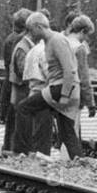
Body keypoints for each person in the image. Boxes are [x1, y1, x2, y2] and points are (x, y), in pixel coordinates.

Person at [13, 13, 84, 161]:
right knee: (67, 132)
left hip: (61, 88)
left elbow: (69, 69)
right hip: (68, 88)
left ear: (39, 27)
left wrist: (64, 95)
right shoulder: (50, 41)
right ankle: (79, 160)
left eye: (31, 29)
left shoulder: (56, 40)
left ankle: (21, 151)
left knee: (23, 108)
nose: (30, 34)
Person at [0, 8, 31, 152]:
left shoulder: (10, 38)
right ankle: (15, 148)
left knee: (11, 118)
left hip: (9, 81)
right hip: (17, 83)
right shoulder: (20, 40)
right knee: (17, 117)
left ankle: (8, 147)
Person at [5, 13, 36, 154]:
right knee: (19, 122)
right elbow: (24, 72)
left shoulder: (21, 43)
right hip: (22, 89)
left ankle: (13, 148)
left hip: (18, 89)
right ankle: (17, 150)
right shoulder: (22, 46)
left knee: (16, 121)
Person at [66, 14, 97, 138]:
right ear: (83, 31)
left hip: (58, 91)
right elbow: (84, 77)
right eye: (87, 35)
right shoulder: (79, 48)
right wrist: (90, 103)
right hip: (73, 95)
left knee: (63, 130)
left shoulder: (63, 41)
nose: (87, 39)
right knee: (73, 132)